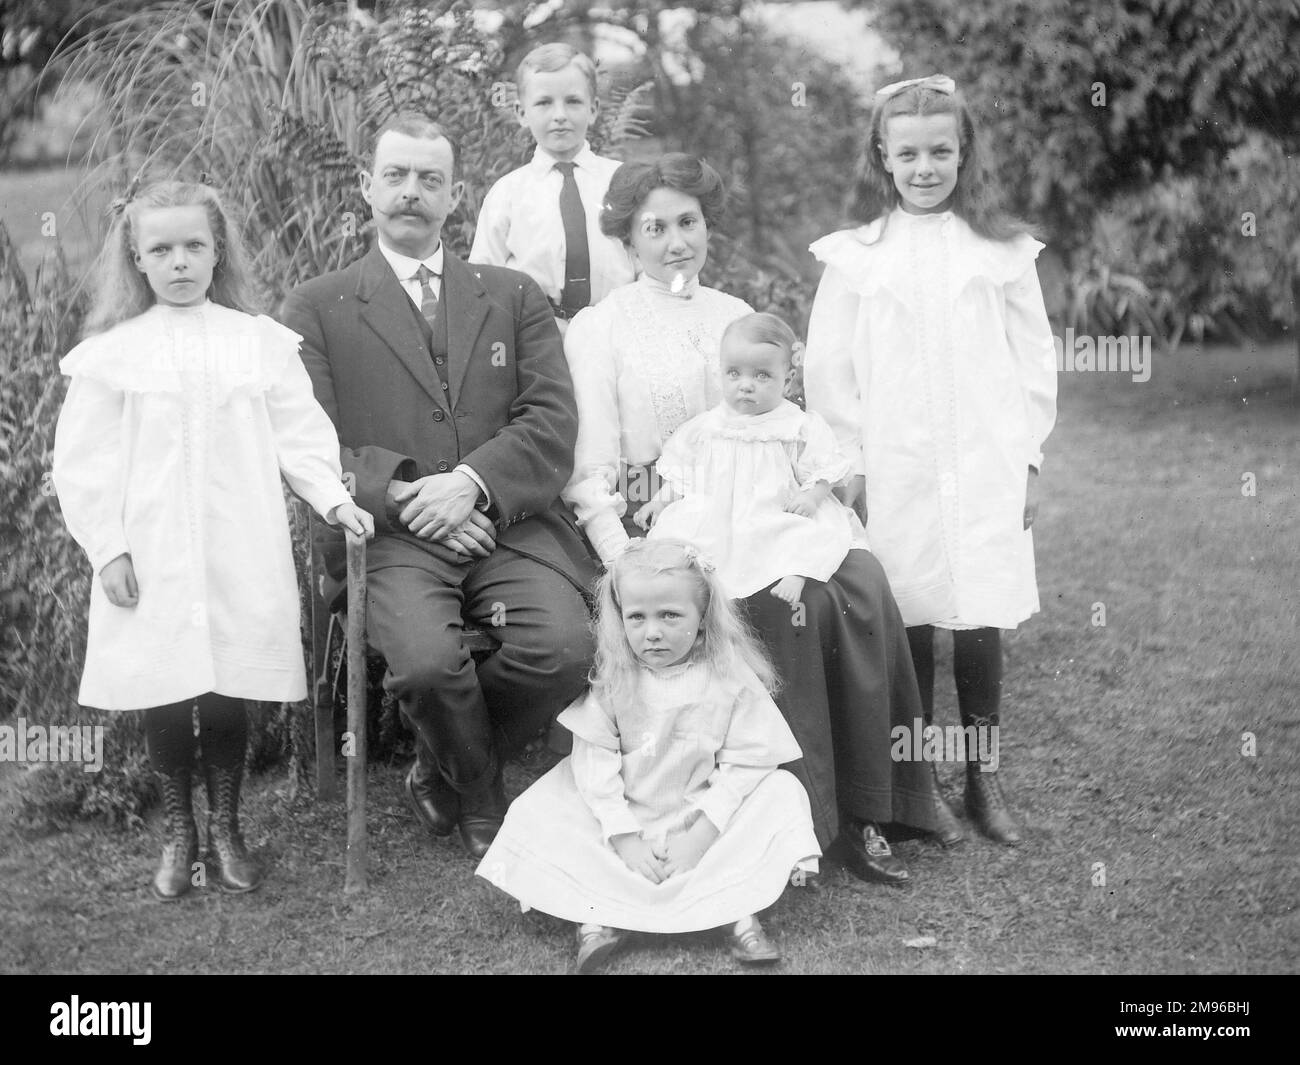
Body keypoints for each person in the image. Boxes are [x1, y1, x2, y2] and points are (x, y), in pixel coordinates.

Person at [562, 153, 944, 884]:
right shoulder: (599, 327)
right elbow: (591, 470)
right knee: (785, 607)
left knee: (859, 580)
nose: (677, 242)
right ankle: (805, 813)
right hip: (667, 519)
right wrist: (628, 557)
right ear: (627, 239)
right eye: (656, 227)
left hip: (766, 506)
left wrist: (818, 486)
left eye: (689, 223)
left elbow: (788, 419)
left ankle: (878, 803)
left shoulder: (734, 313)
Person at [279, 114, 596, 860]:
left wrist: (474, 484)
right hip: (389, 536)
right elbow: (312, 445)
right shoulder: (315, 307)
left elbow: (551, 418)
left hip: (505, 526)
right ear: (366, 188)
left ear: (456, 196)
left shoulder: (513, 295)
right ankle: (481, 790)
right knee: (424, 661)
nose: (411, 193)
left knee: (564, 648)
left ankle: (438, 764)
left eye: (429, 179)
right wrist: (413, 496)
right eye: (396, 176)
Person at [52, 179, 373, 901]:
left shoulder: (257, 342)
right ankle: (178, 831)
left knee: (230, 684)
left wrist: (335, 500)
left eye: (194, 245)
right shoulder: (112, 354)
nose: (179, 262)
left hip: (239, 542)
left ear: (217, 249)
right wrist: (108, 547)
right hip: (152, 549)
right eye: (160, 249)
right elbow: (81, 462)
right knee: (165, 685)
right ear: (136, 257)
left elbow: (301, 436)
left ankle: (227, 827)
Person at [804, 74, 1058, 846]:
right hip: (896, 462)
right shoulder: (856, 258)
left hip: (982, 457)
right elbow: (828, 369)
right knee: (906, 609)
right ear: (883, 156)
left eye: (939, 151)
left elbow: (1033, 360)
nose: (924, 168)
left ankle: (982, 776)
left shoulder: (1003, 252)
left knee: (980, 609)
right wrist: (851, 462)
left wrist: (1028, 460)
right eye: (907, 153)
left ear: (962, 153)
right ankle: (916, 784)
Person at [476, 538, 819, 973]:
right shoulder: (616, 677)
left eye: (670, 616)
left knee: (782, 791)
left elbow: (748, 761)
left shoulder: (729, 676)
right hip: (627, 811)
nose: (651, 632)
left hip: (701, 813)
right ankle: (597, 919)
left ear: (702, 619)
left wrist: (702, 833)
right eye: (636, 617)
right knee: (545, 805)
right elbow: (595, 762)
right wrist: (622, 834)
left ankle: (737, 913)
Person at [637, 311, 869, 607]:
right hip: (717, 511)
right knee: (680, 536)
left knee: (800, 533)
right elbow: (684, 472)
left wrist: (811, 498)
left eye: (761, 375)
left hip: (773, 509)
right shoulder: (708, 426)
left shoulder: (796, 425)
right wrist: (661, 500)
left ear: (788, 378)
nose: (746, 385)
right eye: (734, 373)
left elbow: (823, 470)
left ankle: (797, 573)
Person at [469, 42, 634, 332]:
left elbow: (647, 261)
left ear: (593, 109)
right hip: (534, 334)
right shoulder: (508, 193)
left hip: (616, 330)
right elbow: (482, 279)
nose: (559, 114)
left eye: (573, 101)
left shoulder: (623, 182)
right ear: (521, 112)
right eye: (544, 102)